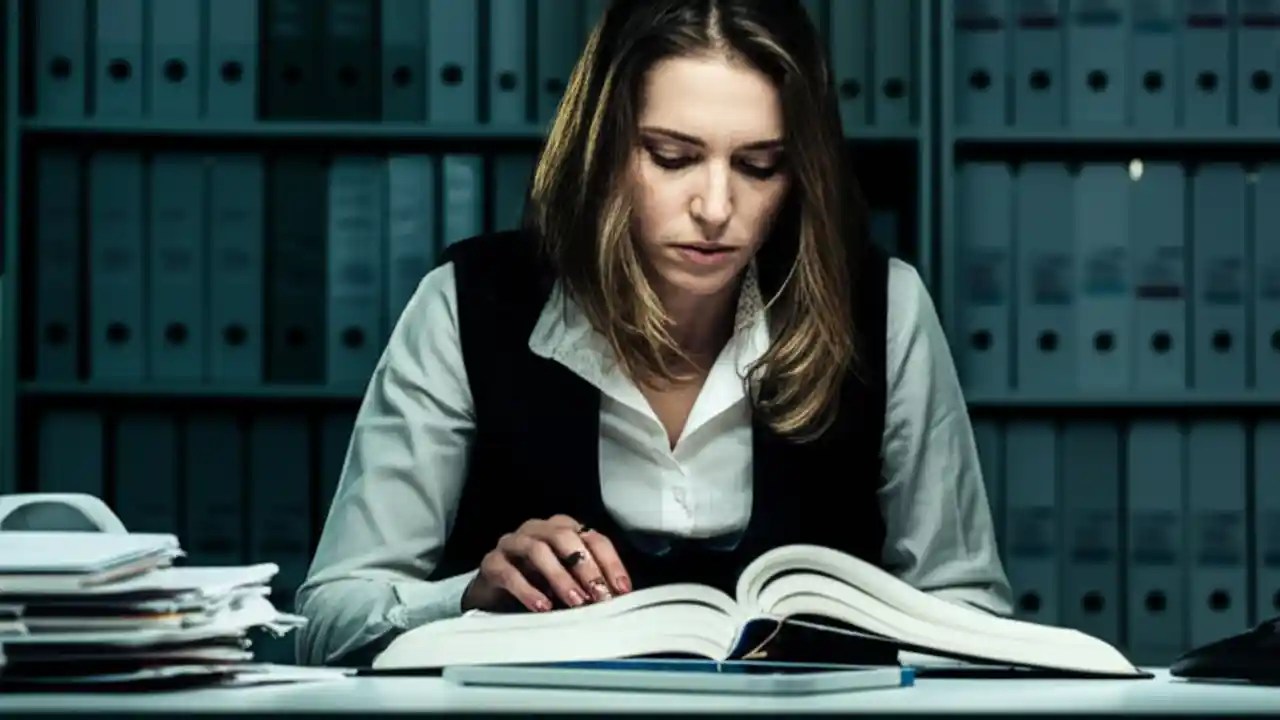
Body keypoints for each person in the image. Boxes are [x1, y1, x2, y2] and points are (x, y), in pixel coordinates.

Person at [296, 0, 1012, 667]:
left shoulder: (885, 308)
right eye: (671, 157)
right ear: (602, 150)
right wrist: (466, 600)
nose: (715, 206)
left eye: (761, 166)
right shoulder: (468, 302)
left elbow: (971, 612)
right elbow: (327, 623)